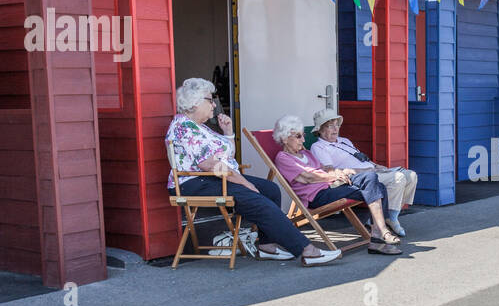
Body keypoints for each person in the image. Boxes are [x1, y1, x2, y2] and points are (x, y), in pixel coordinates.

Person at [165, 78, 340, 266]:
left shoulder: (199, 127)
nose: (214, 104)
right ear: (194, 103)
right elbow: (212, 165)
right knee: (256, 199)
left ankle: (267, 247)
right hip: (194, 183)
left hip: (214, 179)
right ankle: (307, 250)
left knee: (269, 189)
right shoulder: (184, 127)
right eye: (210, 100)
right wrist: (244, 183)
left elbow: (228, 155)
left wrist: (228, 131)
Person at [271, 115, 402, 256]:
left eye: (303, 135)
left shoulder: (306, 153)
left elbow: (323, 168)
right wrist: (333, 176)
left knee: (375, 182)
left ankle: (377, 233)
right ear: (284, 138)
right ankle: (381, 232)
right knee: (372, 182)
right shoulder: (283, 158)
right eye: (298, 136)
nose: (303, 140)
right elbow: (307, 178)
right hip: (318, 196)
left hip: (332, 187)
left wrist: (340, 172)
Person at [309, 108, 417, 237]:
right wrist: (367, 170)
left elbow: (360, 158)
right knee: (398, 178)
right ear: (320, 129)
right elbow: (330, 171)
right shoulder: (319, 147)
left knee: (411, 175)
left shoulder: (344, 141)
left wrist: (376, 165)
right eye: (330, 126)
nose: (335, 129)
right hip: (358, 178)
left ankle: (390, 215)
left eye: (337, 125)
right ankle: (388, 219)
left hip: (372, 170)